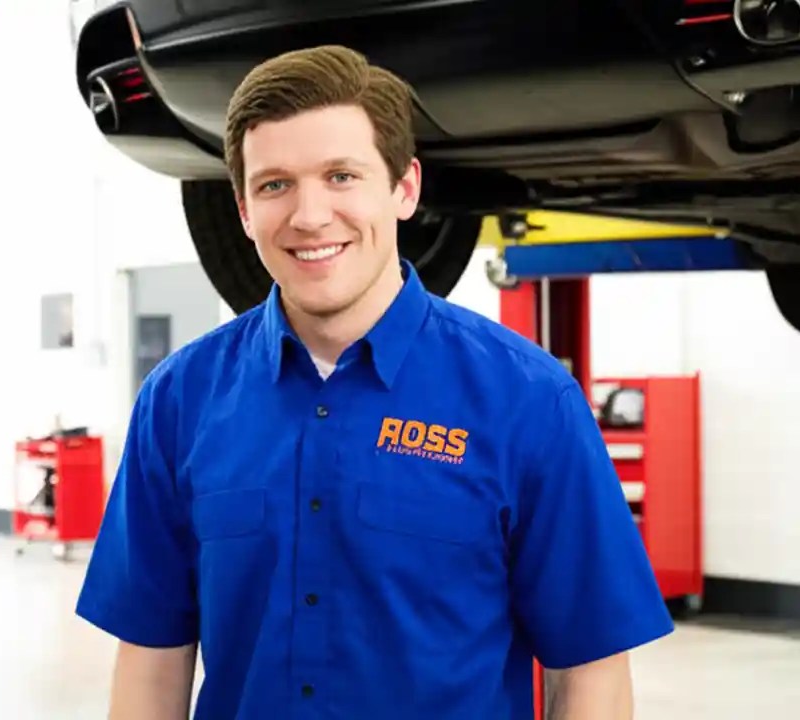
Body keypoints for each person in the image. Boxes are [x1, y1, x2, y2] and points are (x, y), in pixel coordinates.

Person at [76, 44, 674, 719]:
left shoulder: (528, 402)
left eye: (341, 176)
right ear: (243, 209)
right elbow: (152, 662)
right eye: (275, 184)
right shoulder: (179, 402)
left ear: (404, 188)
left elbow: (589, 671)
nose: (308, 216)